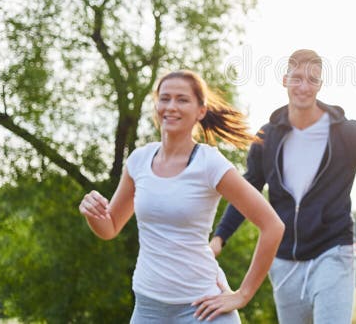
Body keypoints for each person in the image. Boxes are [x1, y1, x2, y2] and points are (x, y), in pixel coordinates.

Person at [209, 49, 356, 323]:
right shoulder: (267, 137)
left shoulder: (346, 133)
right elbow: (247, 192)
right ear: (284, 79)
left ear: (321, 84)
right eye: (297, 78)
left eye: (312, 80)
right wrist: (219, 238)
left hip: (333, 251)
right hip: (283, 259)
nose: (304, 86)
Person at [78, 70, 284, 323]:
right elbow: (109, 228)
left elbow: (273, 226)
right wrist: (93, 212)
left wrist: (242, 295)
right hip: (148, 309)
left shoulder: (209, 163)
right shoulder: (139, 160)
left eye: (182, 99)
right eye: (164, 98)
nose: (171, 106)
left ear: (200, 110)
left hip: (202, 310)